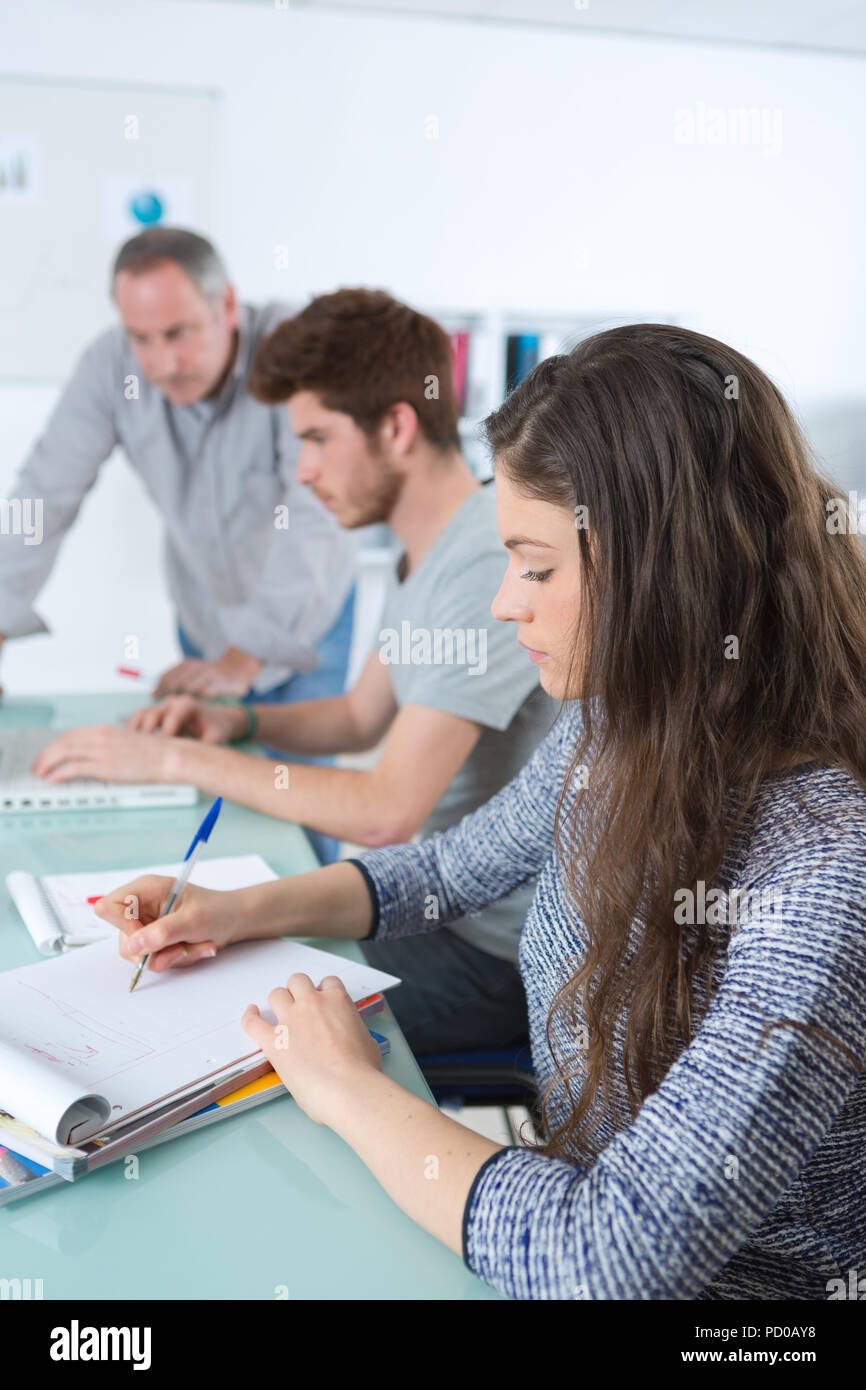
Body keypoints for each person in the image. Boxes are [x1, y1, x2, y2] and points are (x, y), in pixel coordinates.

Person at [93, 323, 866, 1300]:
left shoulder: (822, 872)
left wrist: (349, 1087)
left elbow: (607, 1260)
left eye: (536, 567)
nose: (507, 603)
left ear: (667, 572)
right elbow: (450, 869)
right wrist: (233, 909)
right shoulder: (610, 730)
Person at [34, 289, 556, 1054]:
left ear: (397, 426)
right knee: (199, 976)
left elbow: (386, 811)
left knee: (206, 1028)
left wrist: (172, 758)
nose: (302, 472)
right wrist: (237, 722)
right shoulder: (430, 547)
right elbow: (357, 717)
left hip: (485, 959)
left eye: (316, 438)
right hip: (430, 909)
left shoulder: (483, 560)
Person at [0, 227, 357, 863]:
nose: (162, 363)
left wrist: (246, 657)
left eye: (179, 333)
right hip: (205, 617)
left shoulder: (293, 349)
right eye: (142, 338)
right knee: (210, 805)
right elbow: (43, 494)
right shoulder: (110, 367)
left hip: (306, 622)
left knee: (301, 810)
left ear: (227, 306)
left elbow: (316, 515)